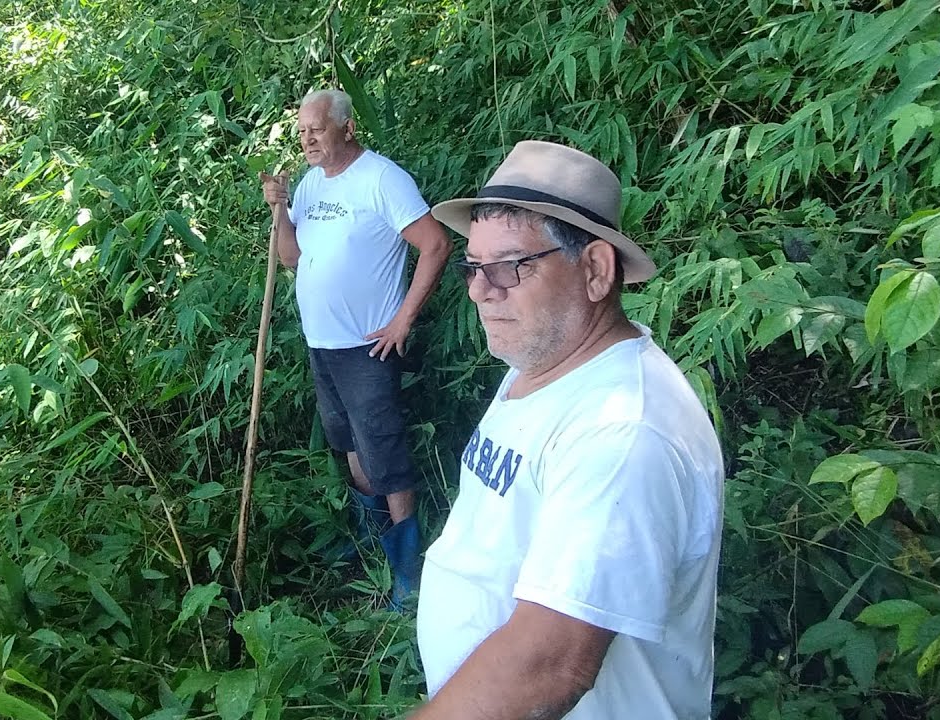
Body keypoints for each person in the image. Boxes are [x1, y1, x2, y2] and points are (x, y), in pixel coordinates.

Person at [413, 141, 724, 719]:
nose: (482, 291)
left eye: (510, 266)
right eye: (474, 268)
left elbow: (550, 664)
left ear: (596, 269)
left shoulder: (623, 431)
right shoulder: (540, 363)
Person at [259, 89, 451, 609]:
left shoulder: (382, 179)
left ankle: (408, 570)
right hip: (322, 343)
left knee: (383, 451)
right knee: (349, 447)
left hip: (368, 347)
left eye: (316, 129)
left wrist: (401, 320)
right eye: (301, 131)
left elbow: (436, 244)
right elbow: (293, 258)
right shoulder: (309, 184)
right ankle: (377, 541)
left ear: (346, 127)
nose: (307, 139)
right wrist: (280, 212)